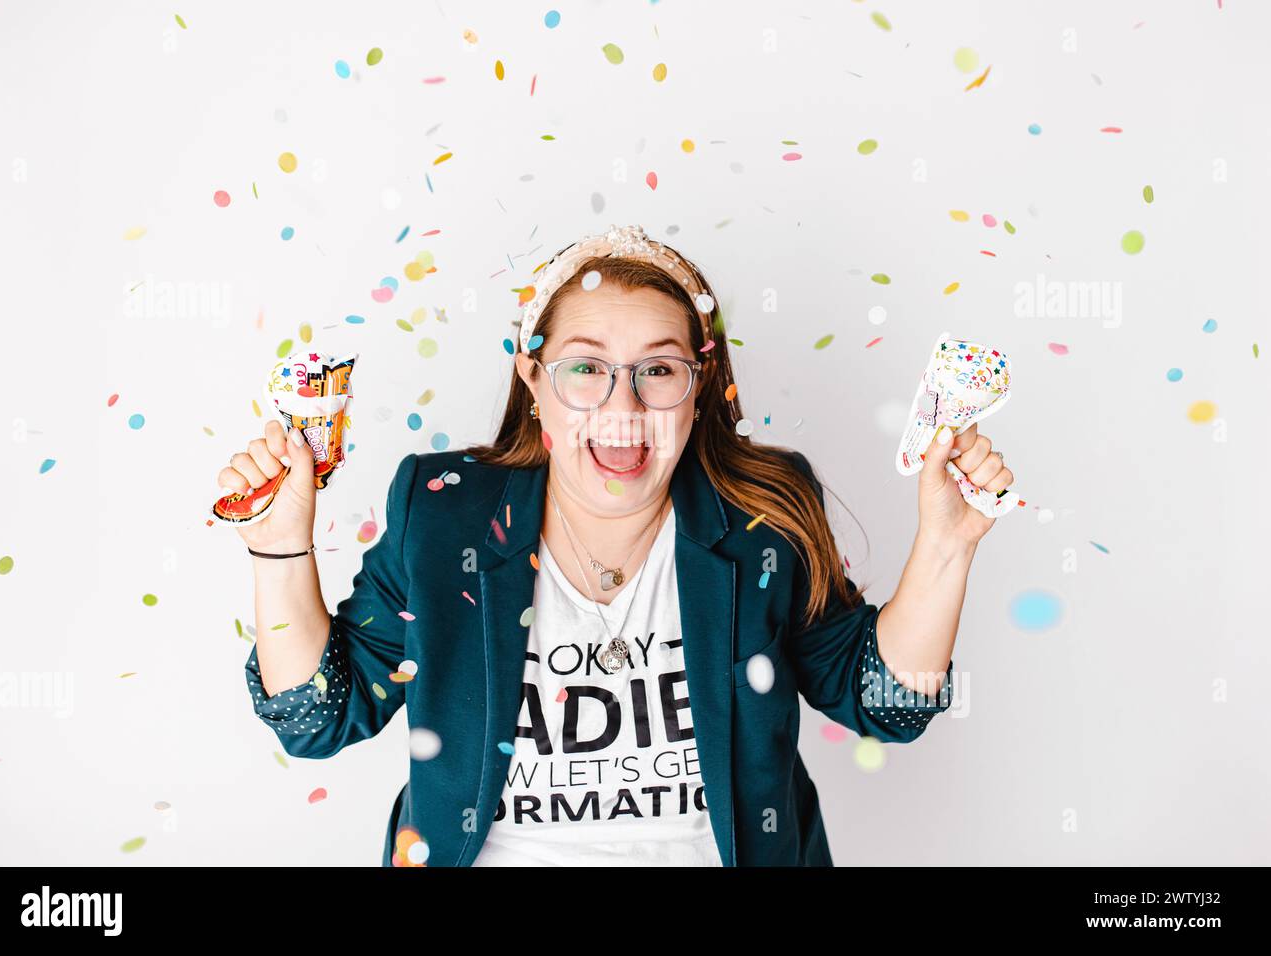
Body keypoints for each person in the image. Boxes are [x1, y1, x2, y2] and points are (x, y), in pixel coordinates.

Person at [217, 224, 1014, 866]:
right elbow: (315, 718)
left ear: (699, 385)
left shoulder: (764, 513)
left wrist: (947, 544)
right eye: (586, 369)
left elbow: (887, 703)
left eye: (657, 371)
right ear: (533, 381)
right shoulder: (442, 513)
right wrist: (280, 549)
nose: (621, 405)